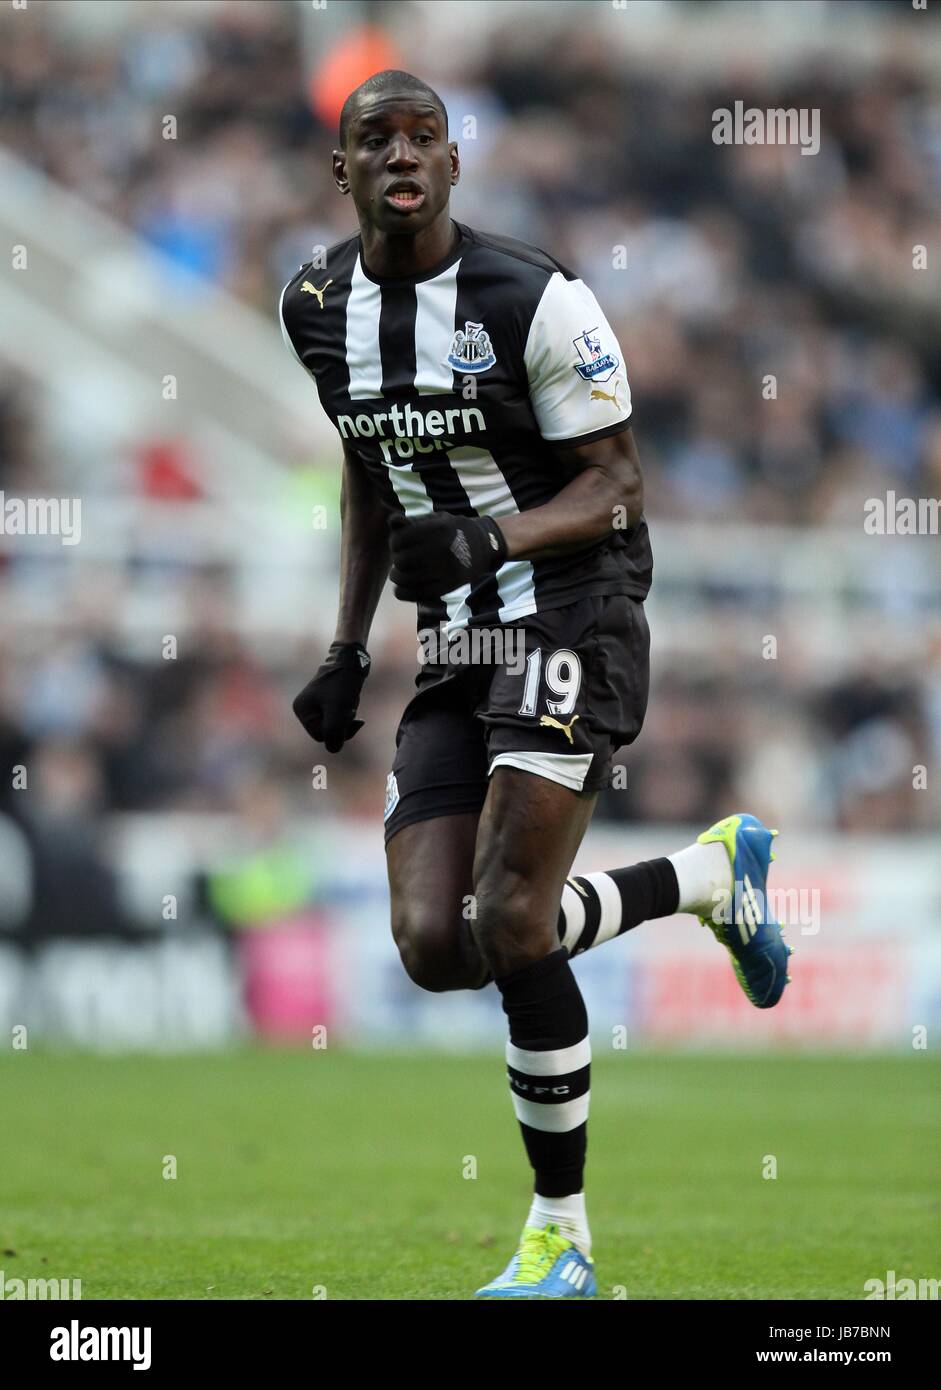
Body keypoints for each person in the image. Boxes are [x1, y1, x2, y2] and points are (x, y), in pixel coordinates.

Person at [280, 70, 790, 1299]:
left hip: (572, 611)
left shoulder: (535, 297)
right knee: (433, 944)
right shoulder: (313, 304)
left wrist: (495, 541)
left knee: (511, 915)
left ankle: (559, 1237)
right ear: (339, 171)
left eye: (422, 137)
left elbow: (616, 481)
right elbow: (369, 472)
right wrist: (346, 646)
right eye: (374, 139)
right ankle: (703, 876)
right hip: (456, 637)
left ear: (453, 165)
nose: (400, 156)